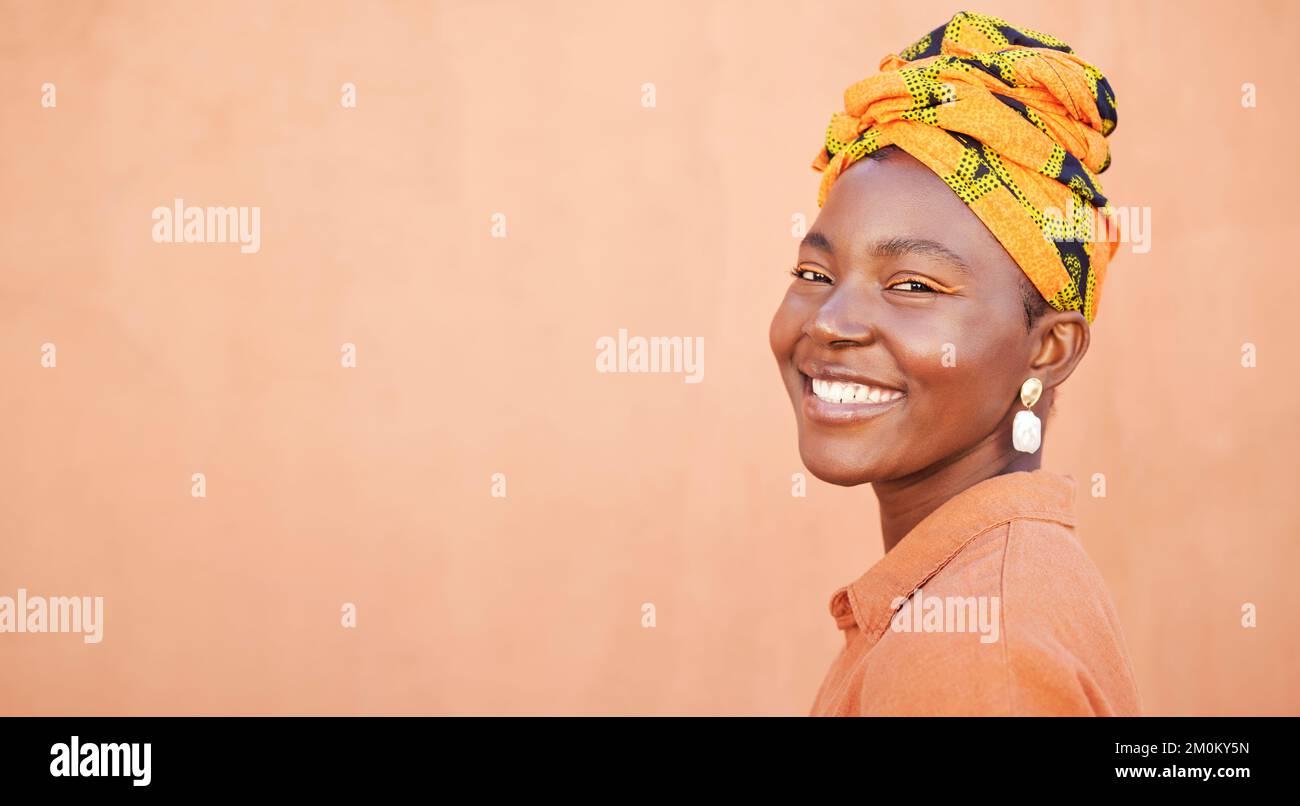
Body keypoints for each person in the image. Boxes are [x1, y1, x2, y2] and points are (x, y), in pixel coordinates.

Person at [769, 11, 1140, 715]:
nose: (830, 322)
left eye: (913, 285)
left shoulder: (973, 657)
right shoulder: (972, 596)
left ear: (1048, 348)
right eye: (814, 274)